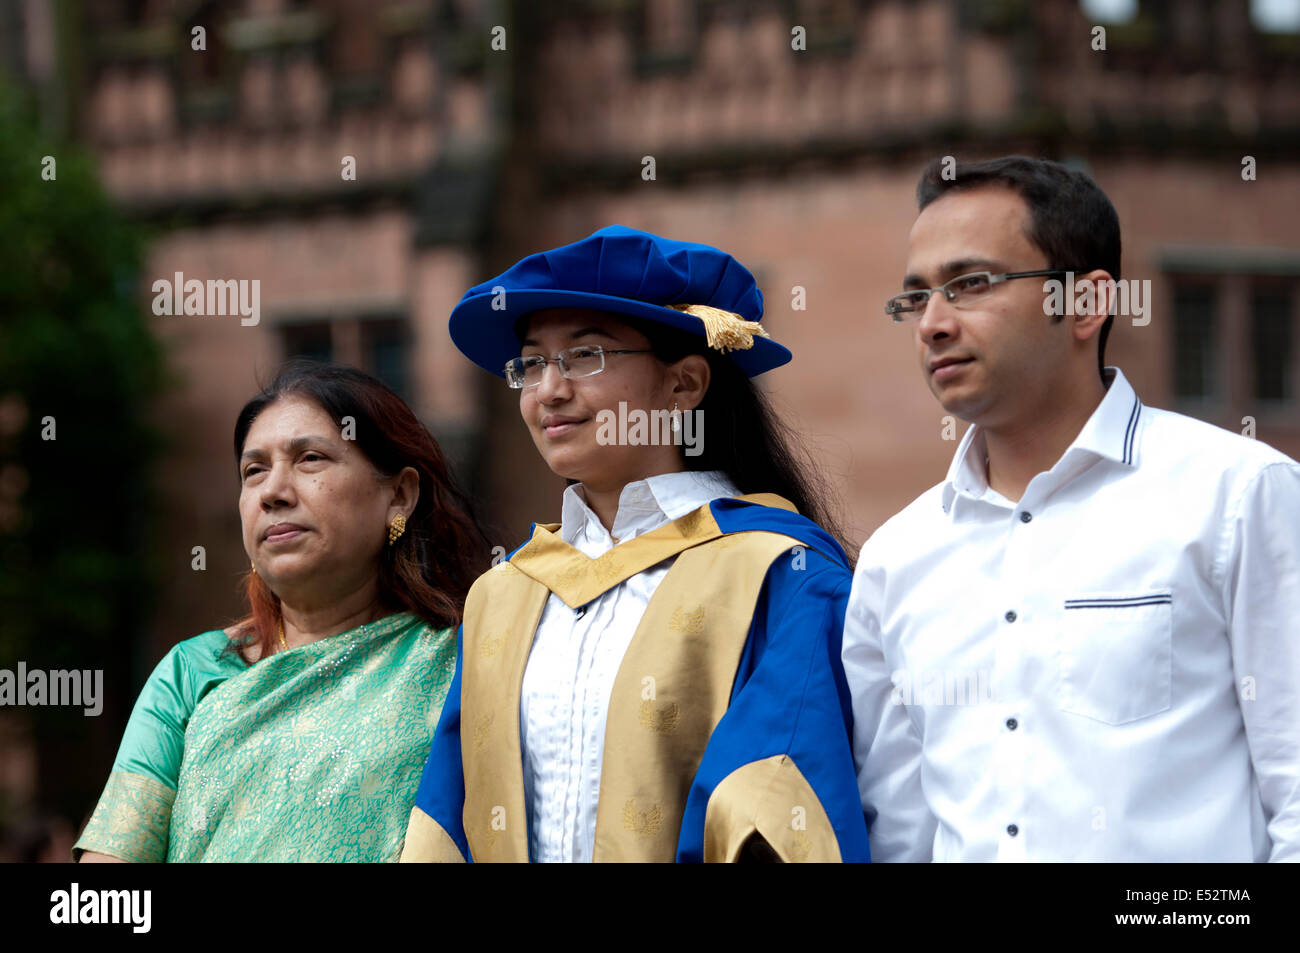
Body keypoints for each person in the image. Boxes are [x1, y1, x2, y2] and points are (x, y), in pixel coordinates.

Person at [842, 155, 1300, 862]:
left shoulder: (1237, 494)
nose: (931, 323)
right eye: (917, 297)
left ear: (1085, 303)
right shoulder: (896, 559)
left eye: (969, 284)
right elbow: (904, 835)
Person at [402, 225, 869, 862]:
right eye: (532, 363)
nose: (549, 391)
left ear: (685, 385)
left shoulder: (777, 572)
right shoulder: (504, 594)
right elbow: (446, 822)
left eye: (586, 355)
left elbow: (776, 808)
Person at [75, 360, 491, 862]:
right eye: (254, 471)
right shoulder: (193, 675)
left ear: (398, 495)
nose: (273, 492)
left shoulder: (463, 662)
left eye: (310, 459)